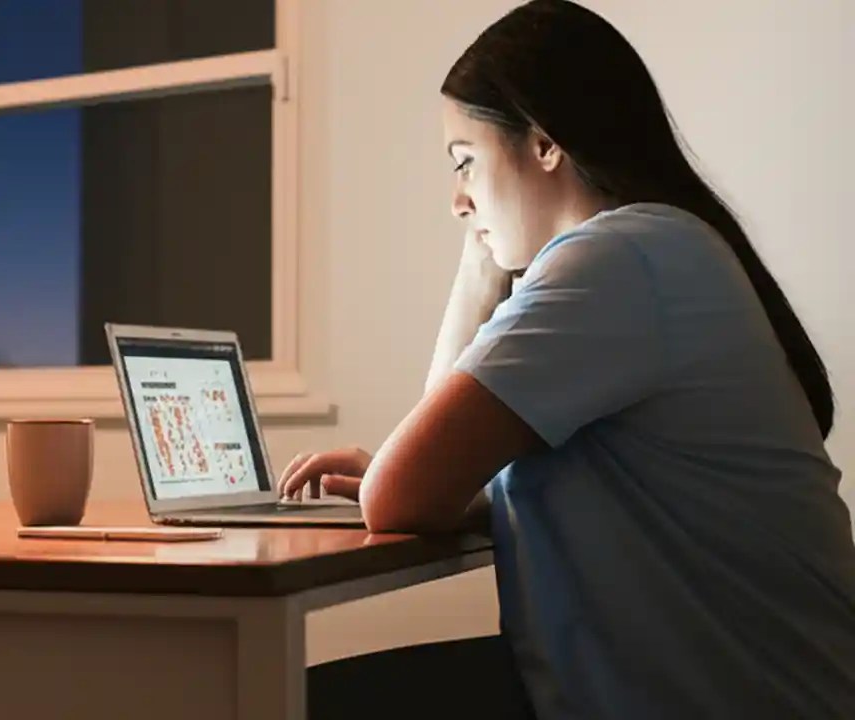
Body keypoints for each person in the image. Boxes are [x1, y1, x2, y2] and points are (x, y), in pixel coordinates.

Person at [278, 1, 855, 718]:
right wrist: (437, 475)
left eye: (465, 162)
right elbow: (436, 476)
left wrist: (478, 270)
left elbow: (400, 495)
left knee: (274, 698)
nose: (457, 200)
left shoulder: (618, 259)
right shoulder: (661, 248)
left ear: (545, 143)